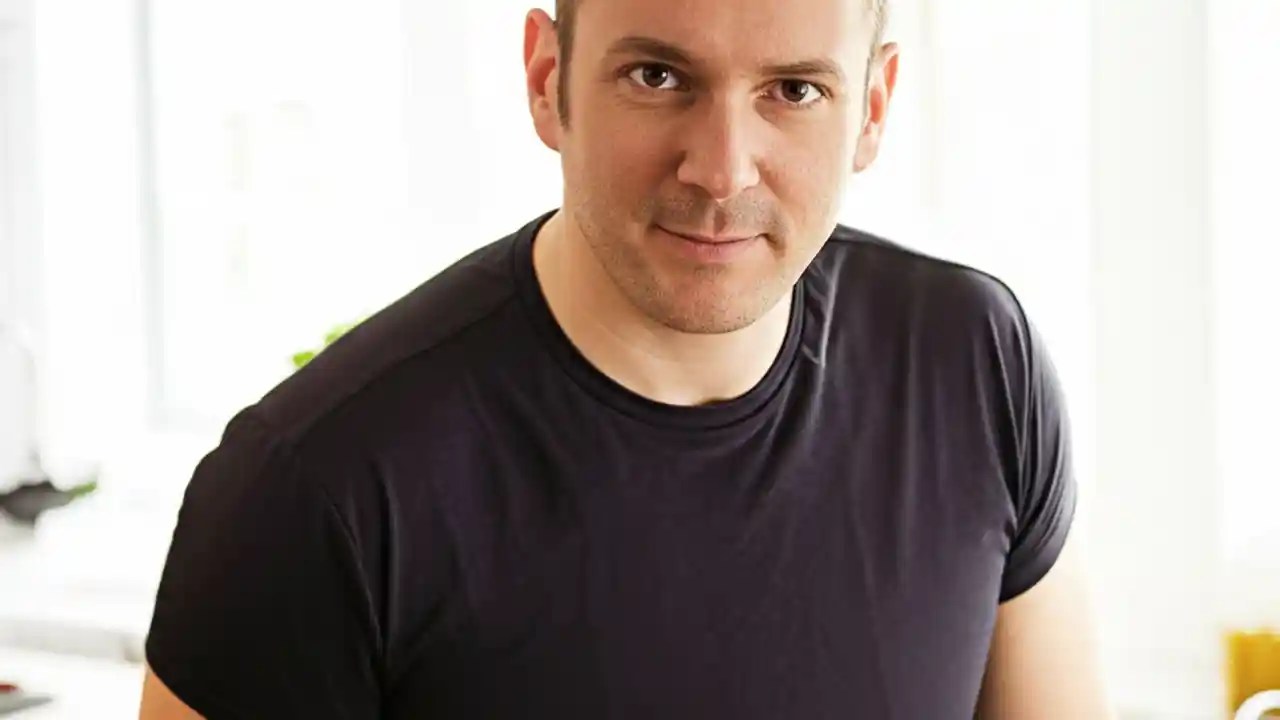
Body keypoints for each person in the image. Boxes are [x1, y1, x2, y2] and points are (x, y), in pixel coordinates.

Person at [139, 0, 1113, 717]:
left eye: (793, 90)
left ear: (870, 107)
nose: (721, 168)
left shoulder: (973, 361)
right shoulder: (312, 488)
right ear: (544, 78)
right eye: (657, 76)